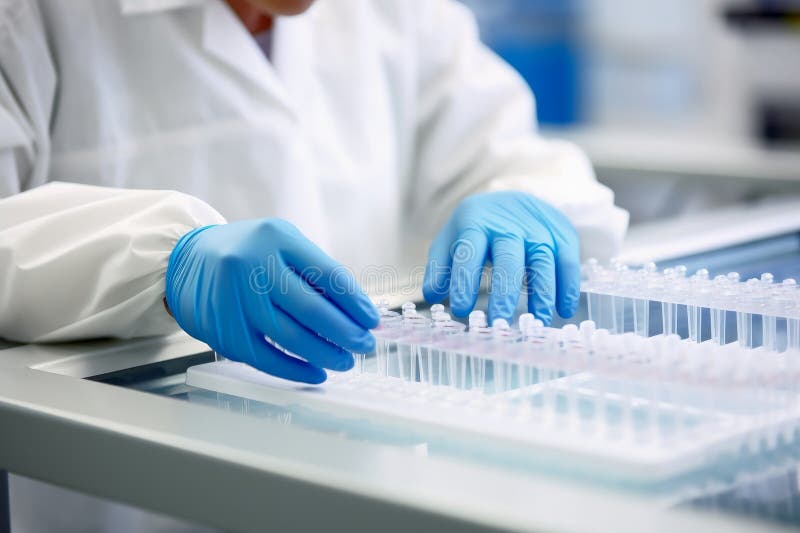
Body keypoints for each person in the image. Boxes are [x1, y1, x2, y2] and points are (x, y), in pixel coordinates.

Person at [0, 0, 628, 384]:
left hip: (350, 465)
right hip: (115, 494)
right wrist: (159, 261)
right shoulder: (35, 14)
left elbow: (505, 149)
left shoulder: (395, 11)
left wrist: (531, 200)